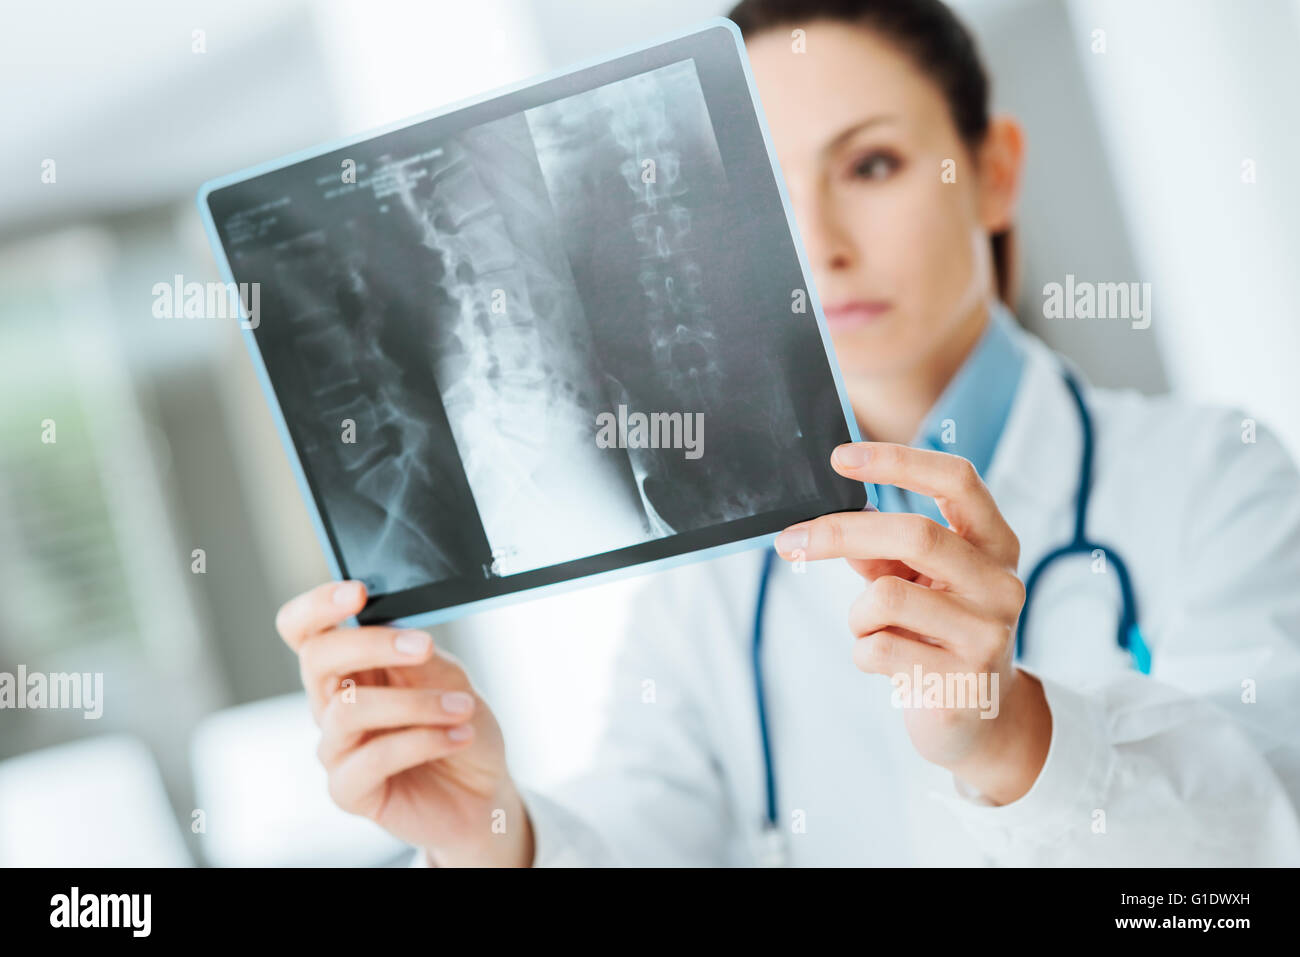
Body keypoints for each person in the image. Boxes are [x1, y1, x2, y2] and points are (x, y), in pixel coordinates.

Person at [273, 0, 1300, 865]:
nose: (817, 240)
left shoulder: (1214, 479)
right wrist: (494, 836)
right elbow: (638, 830)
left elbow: (1246, 868)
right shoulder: (713, 583)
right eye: (765, 187)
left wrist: (1016, 739)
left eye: (872, 165)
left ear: (992, 171)